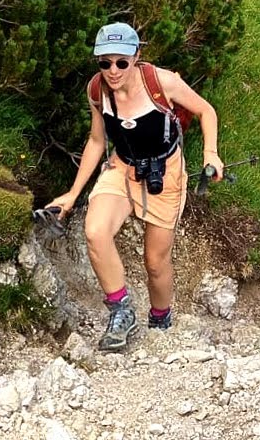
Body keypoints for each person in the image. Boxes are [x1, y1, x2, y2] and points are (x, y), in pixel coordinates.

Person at [46, 22, 224, 352]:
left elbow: (206, 110)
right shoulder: (97, 90)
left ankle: (160, 319)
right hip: (122, 167)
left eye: (121, 62)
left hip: (165, 173)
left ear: (136, 57)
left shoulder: (162, 82)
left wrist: (210, 152)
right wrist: (73, 193)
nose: (112, 71)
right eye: (104, 63)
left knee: (155, 262)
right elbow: (97, 140)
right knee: (95, 230)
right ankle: (121, 311)